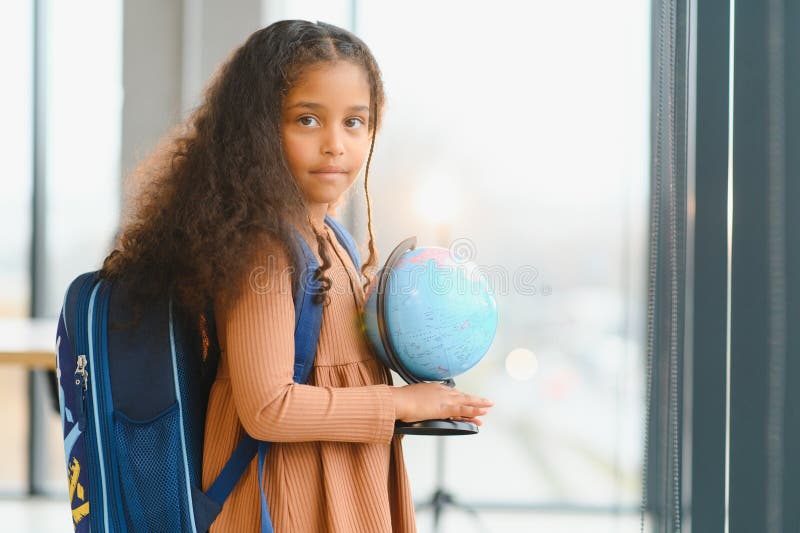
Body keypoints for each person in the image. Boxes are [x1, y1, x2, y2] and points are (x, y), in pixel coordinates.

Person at [101, 19, 493, 532]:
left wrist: (378, 326)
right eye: (308, 120)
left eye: (355, 122)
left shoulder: (333, 240)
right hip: (286, 500)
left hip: (338, 488)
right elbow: (268, 406)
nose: (335, 144)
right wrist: (400, 403)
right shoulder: (264, 249)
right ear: (258, 132)